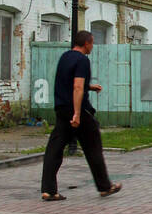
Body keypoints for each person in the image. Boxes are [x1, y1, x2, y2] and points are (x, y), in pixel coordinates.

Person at [40, 31, 121, 201]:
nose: (92, 47)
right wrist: (77, 113)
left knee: (54, 149)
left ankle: (49, 190)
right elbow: (77, 87)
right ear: (86, 43)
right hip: (77, 111)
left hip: (61, 108)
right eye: (92, 43)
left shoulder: (65, 57)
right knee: (93, 147)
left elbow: (69, 82)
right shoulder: (83, 60)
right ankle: (105, 187)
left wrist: (90, 87)